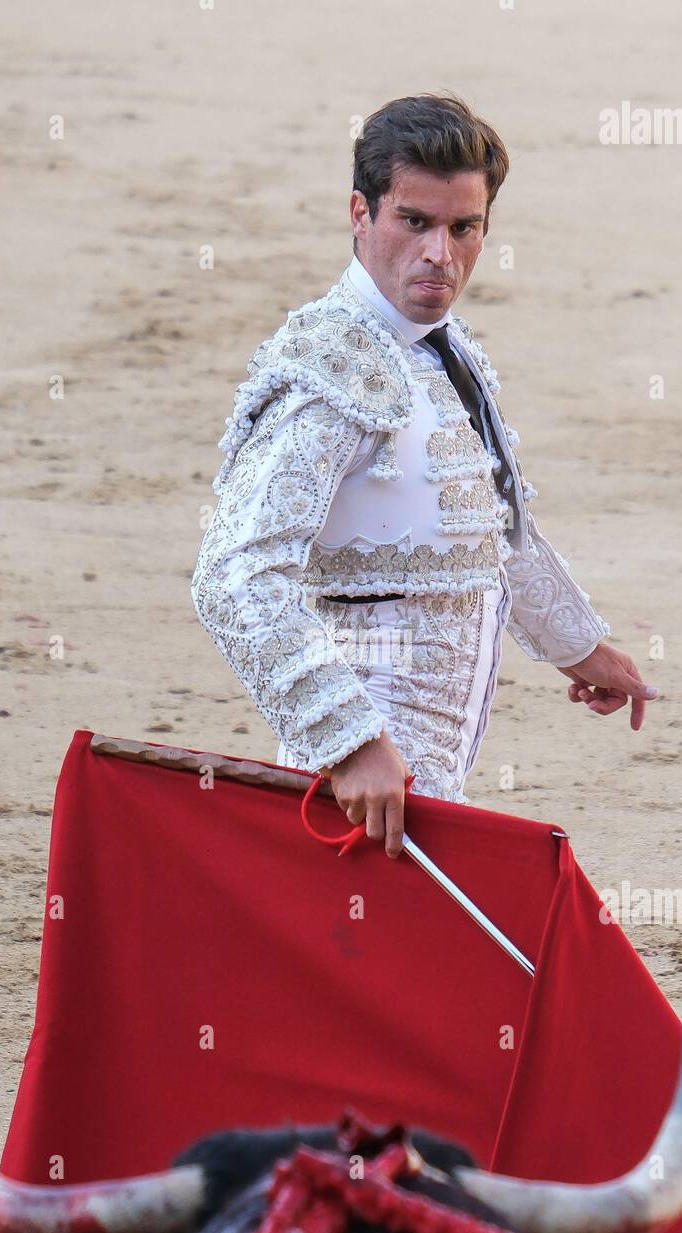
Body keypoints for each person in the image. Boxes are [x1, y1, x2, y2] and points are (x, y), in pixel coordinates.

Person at [191, 93, 658, 860]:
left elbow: (487, 526)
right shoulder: (332, 369)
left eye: (463, 227)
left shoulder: (442, 348)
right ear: (360, 214)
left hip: (423, 777)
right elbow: (234, 574)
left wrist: (577, 644)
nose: (440, 252)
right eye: (415, 222)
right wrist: (349, 741)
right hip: (365, 782)